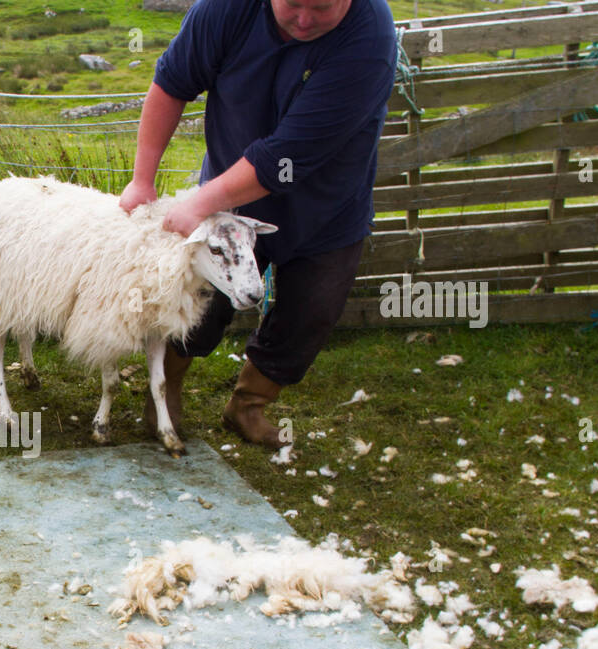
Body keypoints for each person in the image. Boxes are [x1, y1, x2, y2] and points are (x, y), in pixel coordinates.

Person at [120, 0, 397, 449]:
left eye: (322, 8)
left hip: (325, 207)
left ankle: (248, 404)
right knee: (201, 302)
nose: (304, 20)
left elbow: (284, 157)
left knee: (311, 311)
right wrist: (142, 179)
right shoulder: (225, 9)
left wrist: (200, 202)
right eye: (293, 4)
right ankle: (164, 390)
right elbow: (172, 83)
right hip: (228, 197)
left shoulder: (371, 39)